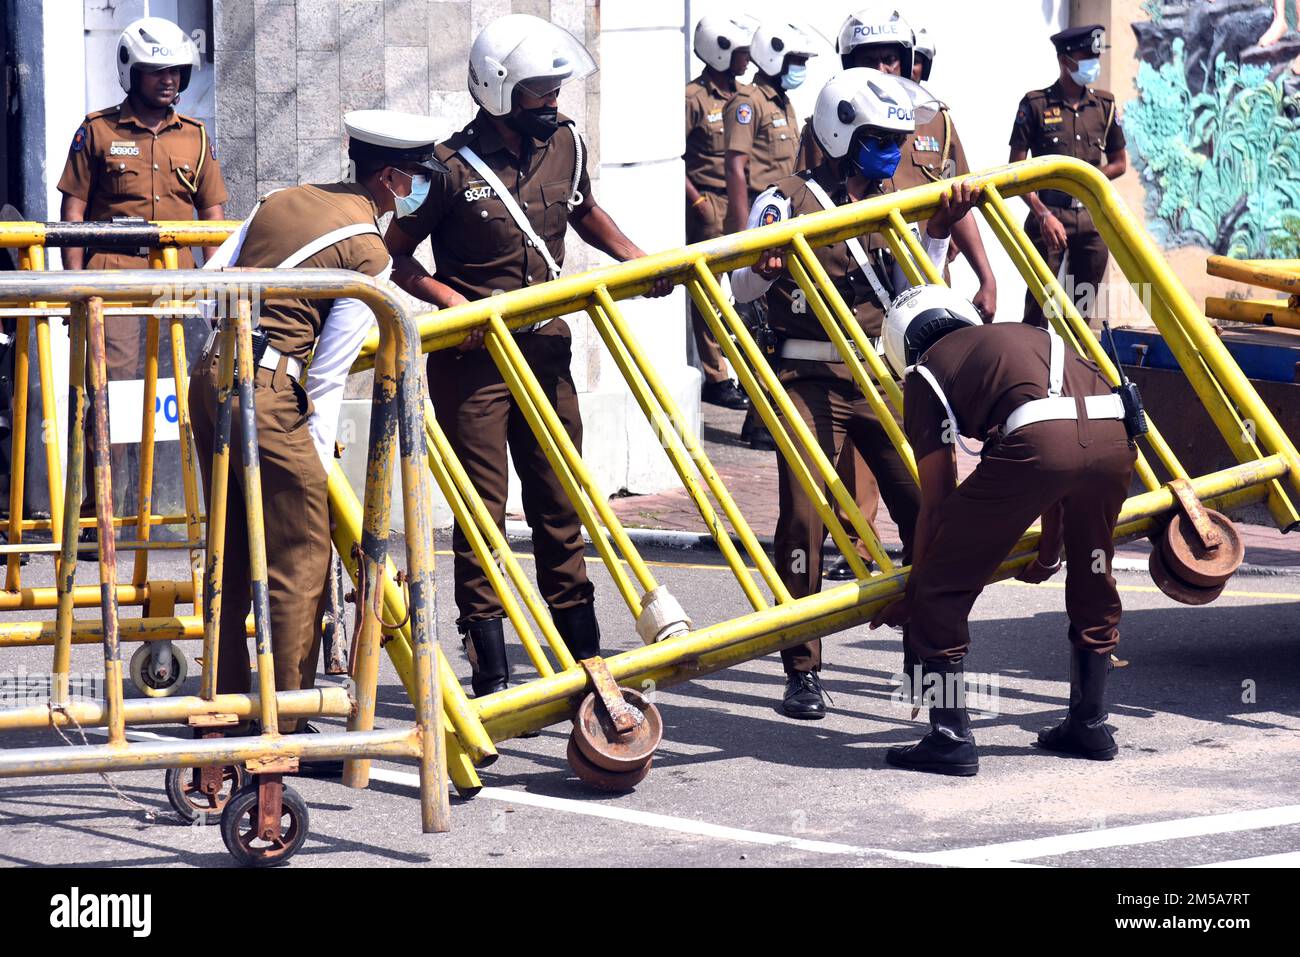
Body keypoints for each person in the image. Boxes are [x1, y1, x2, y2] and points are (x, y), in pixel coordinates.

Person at [385, 14, 670, 699]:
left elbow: (583, 210)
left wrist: (637, 257)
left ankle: (586, 663)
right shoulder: (445, 167)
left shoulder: (566, 142)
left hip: (545, 349)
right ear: (500, 89)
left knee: (559, 499)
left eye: (556, 88)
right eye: (540, 90)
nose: (553, 102)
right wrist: (454, 304)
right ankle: (489, 670)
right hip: (473, 361)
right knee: (484, 512)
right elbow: (395, 257)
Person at [189, 110, 446, 753]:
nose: (421, 190)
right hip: (273, 393)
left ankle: (221, 704)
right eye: (418, 178)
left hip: (212, 373)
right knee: (300, 557)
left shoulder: (284, 197)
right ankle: (287, 725)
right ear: (390, 178)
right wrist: (319, 462)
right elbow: (327, 378)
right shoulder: (369, 253)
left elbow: (206, 287)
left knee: (231, 543)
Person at [730, 68, 977, 720]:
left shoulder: (892, 197)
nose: (891, 151)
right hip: (807, 375)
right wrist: (761, 266)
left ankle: (929, 662)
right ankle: (802, 668)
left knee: (927, 509)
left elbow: (916, 274)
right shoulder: (784, 198)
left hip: (876, 379)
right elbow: (742, 290)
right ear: (843, 132)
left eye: (897, 138)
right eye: (879, 138)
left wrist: (944, 229)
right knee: (805, 518)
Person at [871, 285, 1137, 776]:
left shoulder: (925, 373)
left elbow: (936, 500)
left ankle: (948, 735)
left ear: (902, 345)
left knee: (940, 585)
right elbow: (1066, 444)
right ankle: (1090, 723)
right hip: (1114, 438)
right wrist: (1051, 551)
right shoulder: (1026, 336)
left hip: (1044, 444)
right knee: (1094, 575)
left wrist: (918, 589)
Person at [798, 6, 998, 583]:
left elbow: (956, 198)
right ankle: (859, 548)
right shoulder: (829, 119)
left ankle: (931, 550)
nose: (886, 66)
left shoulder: (936, 119)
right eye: (871, 58)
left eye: (894, 55)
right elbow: (809, 200)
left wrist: (985, 275)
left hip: (922, 283)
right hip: (854, 289)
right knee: (860, 428)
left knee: (924, 419)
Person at [57, 16, 227, 531]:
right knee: (110, 397)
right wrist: (74, 286)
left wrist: (218, 288)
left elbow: (213, 220)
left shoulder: (196, 139)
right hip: (113, 284)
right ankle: (103, 512)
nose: (169, 80)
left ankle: (172, 510)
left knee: (178, 397)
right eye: (157, 71)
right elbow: (73, 212)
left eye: (176, 71)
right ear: (131, 71)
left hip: (176, 288)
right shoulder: (98, 131)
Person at [725, 20, 820, 451]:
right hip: (761, 227)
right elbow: (737, 167)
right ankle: (762, 423)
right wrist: (747, 238)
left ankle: (761, 423)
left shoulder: (783, 101)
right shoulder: (748, 101)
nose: (798, 68)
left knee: (773, 331)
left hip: (785, 222)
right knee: (761, 331)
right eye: (795, 60)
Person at [1009, 24, 1127, 327]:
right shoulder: (1035, 104)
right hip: (1047, 216)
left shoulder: (1104, 105)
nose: (1093, 63)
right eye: (1087, 56)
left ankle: (1075, 371)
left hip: (1090, 220)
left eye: (1096, 56)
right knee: (1038, 307)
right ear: (1065, 60)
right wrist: (1043, 215)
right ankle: (1033, 371)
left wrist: (1086, 179)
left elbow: (1119, 162)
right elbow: (1016, 171)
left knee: (1080, 313)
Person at [686, 13, 757, 412]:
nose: (747, 60)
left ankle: (747, 371)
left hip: (744, 198)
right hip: (710, 202)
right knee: (712, 293)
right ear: (720, 52)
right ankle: (717, 376)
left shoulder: (745, 96)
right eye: (740, 53)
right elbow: (676, 155)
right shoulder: (693, 98)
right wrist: (697, 201)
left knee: (749, 290)